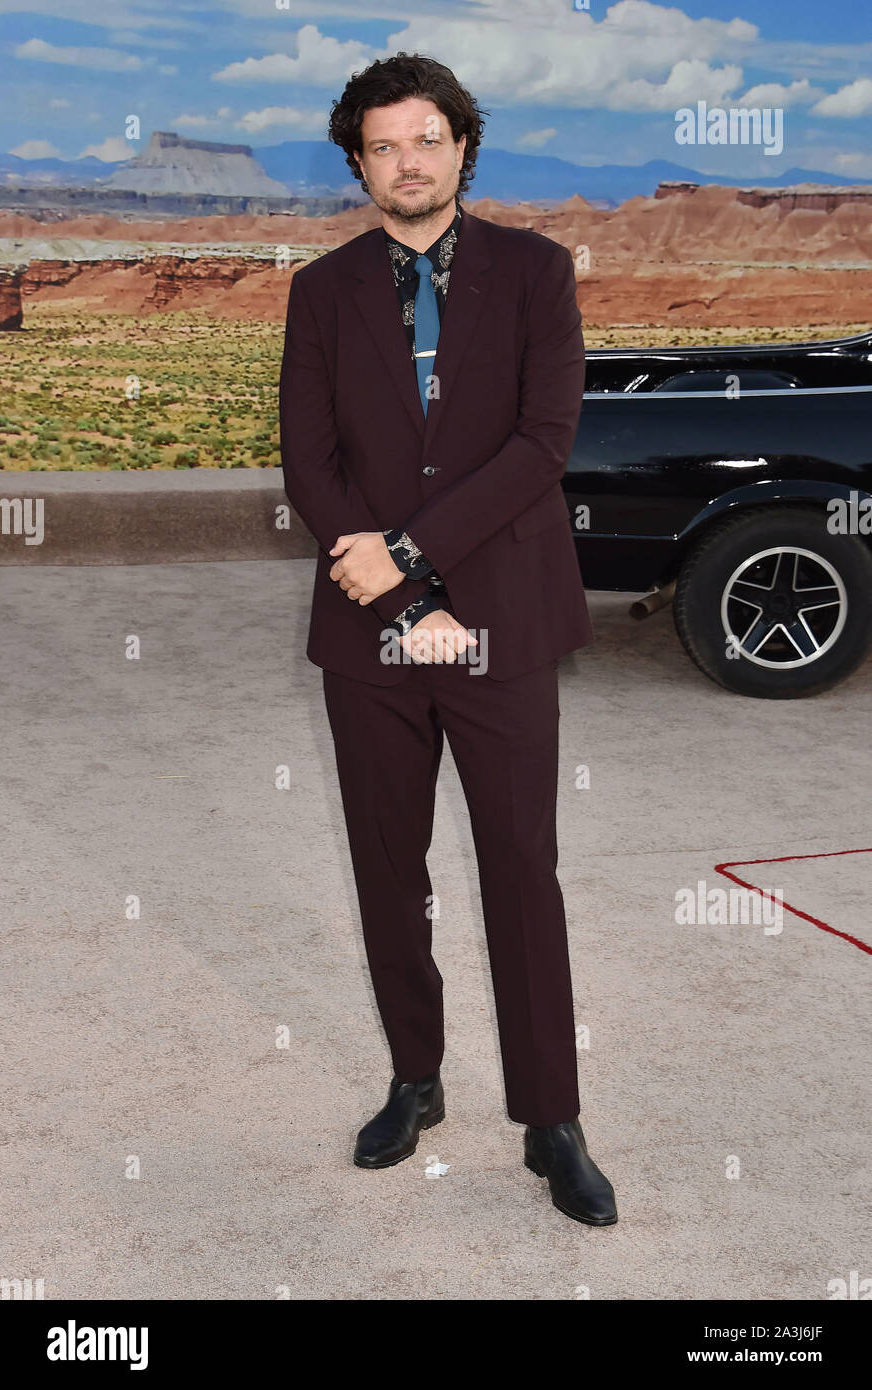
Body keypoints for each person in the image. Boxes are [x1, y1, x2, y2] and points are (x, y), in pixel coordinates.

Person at [279, 52, 617, 1226]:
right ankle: (414, 1079)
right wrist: (396, 604)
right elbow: (307, 464)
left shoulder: (537, 272)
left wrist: (410, 560)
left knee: (521, 868)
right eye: (382, 144)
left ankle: (550, 1119)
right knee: (388, 868)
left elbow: (540, 444)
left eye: (427, 138)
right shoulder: (317, 294)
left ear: (462, 147)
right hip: (370, 639)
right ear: (358, 161)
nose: (407, 160)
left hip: (502, 626)